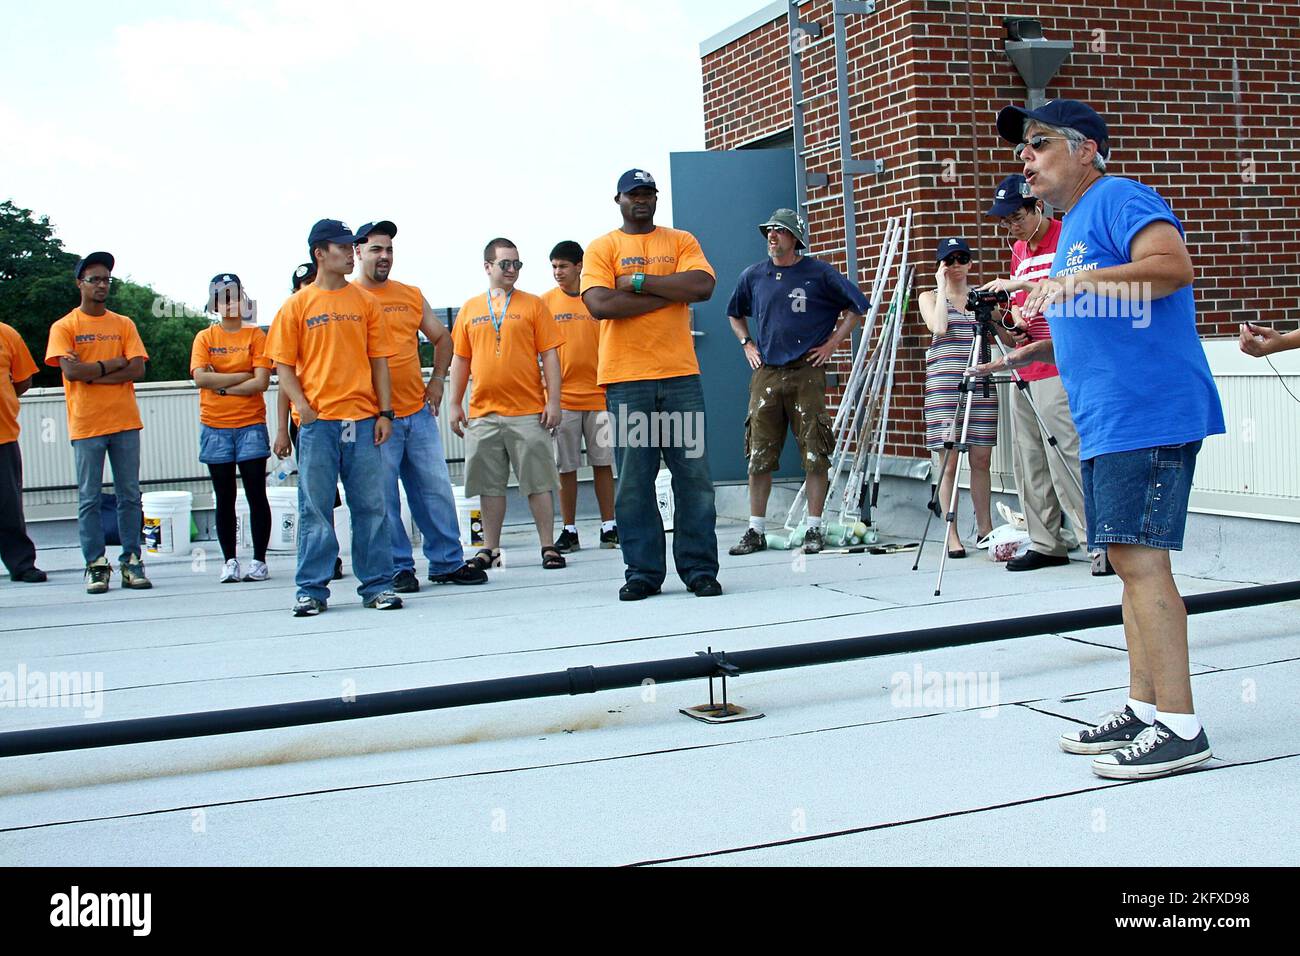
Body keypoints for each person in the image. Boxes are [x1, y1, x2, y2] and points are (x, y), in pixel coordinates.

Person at [980, 99, 1225, 780]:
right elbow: (1100, 311)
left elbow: (1170, 267)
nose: (1023, 159)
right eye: (1022, 148)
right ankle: (1145, 708)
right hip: (1111, 416)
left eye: (1038, 144)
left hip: (1144, 410)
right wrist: (1024, 334)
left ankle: (1181, 725)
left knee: (1143, 563)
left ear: (1086, 149)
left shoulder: (1119, 196)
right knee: (1125, 560)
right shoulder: (1075, 225)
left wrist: (1070, 282)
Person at [582, 168, 720, 601]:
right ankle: (642, 571)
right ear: (618, 199)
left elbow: (702, 285)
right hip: (626, 381)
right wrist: (671, 293)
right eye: (633, 194)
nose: (641, 200)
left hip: (680, 377)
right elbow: (601, 304)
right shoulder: (603, 247)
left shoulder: (681, 241)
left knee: (693, 477)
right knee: (634, 480)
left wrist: (639, 283)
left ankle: (699, 569)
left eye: (648, 193)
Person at [265, 219, 402, 616]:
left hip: (362, 421)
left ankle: (378, 585)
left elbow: (380, 363)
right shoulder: (297, 305)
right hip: (318, 425)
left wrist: (385, 412)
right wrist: (303, 409)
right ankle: (311, 589)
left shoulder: (365, 303)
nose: (349, 253)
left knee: (370, 507)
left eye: (351, 246)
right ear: (319, 253)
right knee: (315, 509)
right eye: (341, 247)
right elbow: (283, 367)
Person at [725, 208, 868, 556]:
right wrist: (747, 343)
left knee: (815, 452)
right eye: (769, 231)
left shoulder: (818, 273)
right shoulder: (753, 276)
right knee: (758, 453)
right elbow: (734, 313)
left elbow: (856, 306)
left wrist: (833, 343)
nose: (772, 236)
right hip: (768, 372)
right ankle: (755, 529)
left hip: (807, 371)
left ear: (795, 238)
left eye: (780, 231)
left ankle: (814, 528)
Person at [352, 220, 486, 591]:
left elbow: (443, 338)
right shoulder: (349, 300)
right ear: (357, 251)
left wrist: (439, 380)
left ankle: (446, 562)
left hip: (418, 413)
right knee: (383, 498)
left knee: (435, 490)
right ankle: (397, 567)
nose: (384, 256)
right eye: (376, 249)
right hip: (375, 417)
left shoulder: (410, 294)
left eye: (390, 249)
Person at [980, 174, 1097, 573]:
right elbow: (1021, 315)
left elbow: (1064, 287)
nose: (1011, 226)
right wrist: (1002, 318)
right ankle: (1046, 541)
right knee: (1029, 459)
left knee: (1067, 454)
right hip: (1025, 364)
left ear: (1037, 207)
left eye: (1016, 216)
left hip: (1059, 361)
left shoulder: (1066, 239)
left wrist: (1018, 283)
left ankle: (1095, 541)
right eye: (1005, 220)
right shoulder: (1018, 249)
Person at [447, 238, 565, 570]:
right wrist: (455, 403)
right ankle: (490, 548)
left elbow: (550, 357)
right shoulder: (470, 308)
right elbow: (460, 360)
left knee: (539, 481)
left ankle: (548, 545)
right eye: (505, 264)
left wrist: (553, 401)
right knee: (489, 485)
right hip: (484, 411)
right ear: (488, 267)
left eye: (517, 264)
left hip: (528, 411)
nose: (512, 270)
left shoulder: (534, 305)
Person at [45, 252, 152, 593]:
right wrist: (113, 365)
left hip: (124, 421)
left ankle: (132, 561)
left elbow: (137, 369)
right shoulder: (65, 327)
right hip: (87, 424)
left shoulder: (123, 324)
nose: (102, 285)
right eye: (95, 279)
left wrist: (94, 373)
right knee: (89, 497)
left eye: (106, 279)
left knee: (129, 495)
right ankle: (95, 564)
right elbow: (71, 372)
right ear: (80, 283)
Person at [917, 238, 997, 559]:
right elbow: (938, 326)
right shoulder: (929, 297)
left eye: (962, 258)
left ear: (970, 263)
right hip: (945, 386)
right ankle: (951, 533)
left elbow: (1004, 333)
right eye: (949, 260)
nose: (956, 265)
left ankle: (985, 529)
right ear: (941, 265)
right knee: (948, 462)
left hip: (980, 384)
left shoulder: (981, 299)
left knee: (981, 459)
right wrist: (940, 285)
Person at [191, 274, 273, 583]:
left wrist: (222, 384)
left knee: (256, 494)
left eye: (235, 295)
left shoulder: (256, 336)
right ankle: (229, 560)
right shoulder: (205, 337)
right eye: (223, 297)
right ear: (214, 303)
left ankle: (259, 560)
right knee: (223, 496)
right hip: (215, 426)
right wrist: (242, 376)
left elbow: (262, 382)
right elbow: (200, 378)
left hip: (250, 423)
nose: (230, 303)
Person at [542, 240, 617, 553]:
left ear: (578, 267)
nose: (558, 272)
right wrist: (547, 398)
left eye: (563, 266)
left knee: (603, 464)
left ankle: (609, 527)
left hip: (600, 396)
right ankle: (569, 530)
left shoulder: (595, 300)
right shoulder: (545, 303)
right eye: (554, 266)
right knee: (566, 467)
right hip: (564, 401)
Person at [274, 260, 343, 581]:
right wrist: (282, 431)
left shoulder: (337, 312)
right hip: (308, 421)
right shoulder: (292, 316)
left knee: (341, 496)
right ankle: (320, 564)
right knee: (314, 500)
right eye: (302, 284)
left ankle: (341, 556)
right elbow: (283, 384)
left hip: (346, 414)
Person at [0, 319, 46, 583]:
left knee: (8, 505)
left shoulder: (6, 334)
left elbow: (23, 379)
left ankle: (21, 564)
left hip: (3, 435)